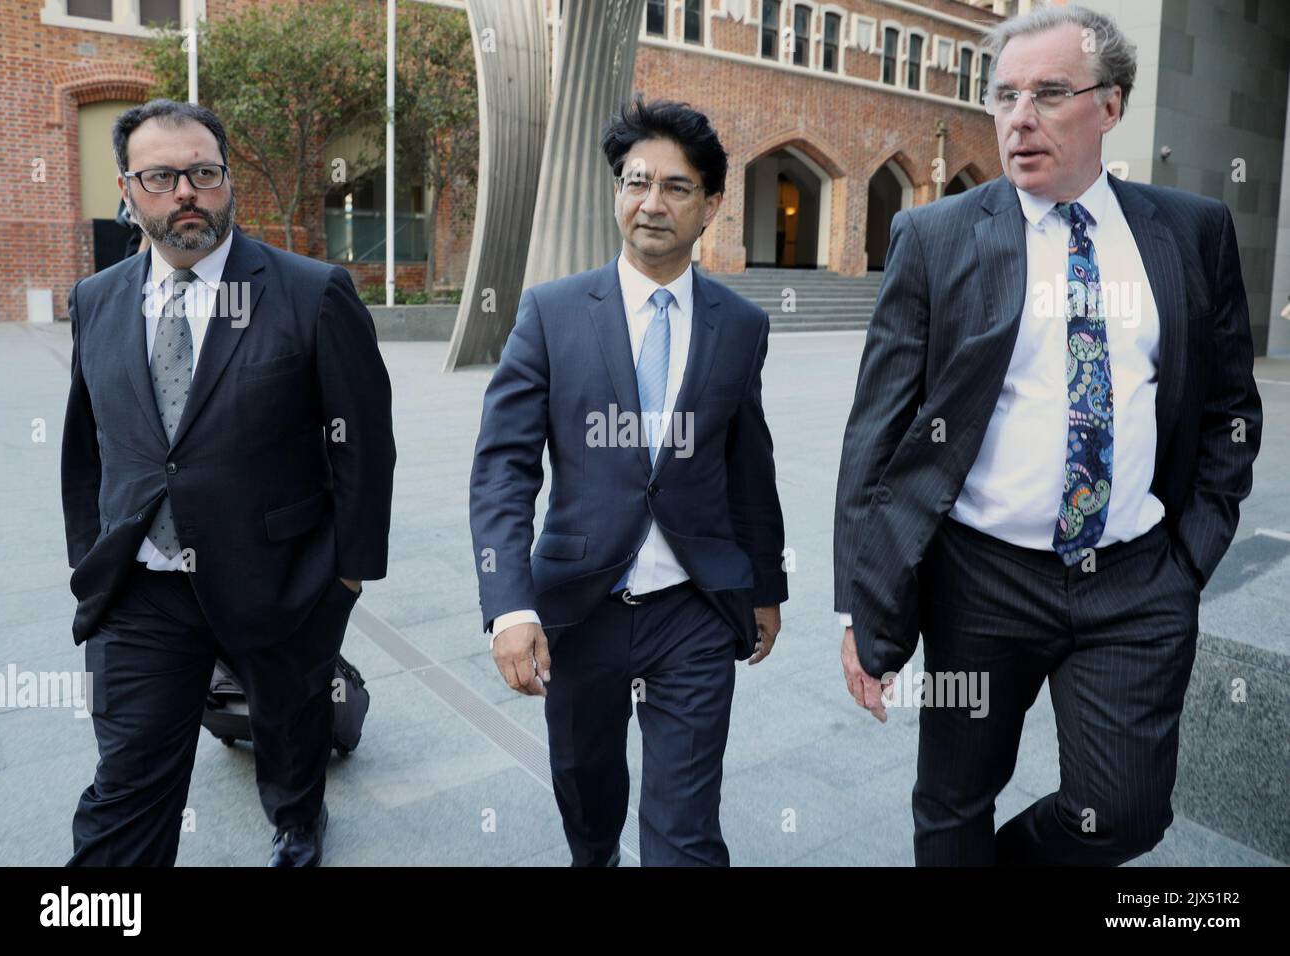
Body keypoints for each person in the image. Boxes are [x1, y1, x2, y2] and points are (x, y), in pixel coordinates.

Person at [832, 6, 1262, 866]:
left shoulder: (1191, 231)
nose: (1019, 117)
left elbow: (1228, 410)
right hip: (978, 581)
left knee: (1127, 813)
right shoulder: (936, 235)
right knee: (953, 805)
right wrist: (865, 608)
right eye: (1004, 96)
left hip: (1136, 581)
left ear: (1110, 105)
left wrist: (1190, 558)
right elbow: (877, 434)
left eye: (1050, 93)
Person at [61, 99, 397, 866]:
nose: (186, 191)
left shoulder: (311, 292)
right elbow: (87, 448)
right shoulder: (98, 300)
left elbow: (364, 448)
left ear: (227, 180)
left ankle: (297, 823)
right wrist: (91, 556)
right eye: (161, 176)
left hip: (280, 579)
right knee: (127, 780)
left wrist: (345, 578)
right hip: (141, 589)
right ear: (126, 188)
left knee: (290, 723)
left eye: (204, 173)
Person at [469, 96, 788, 866]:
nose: (652, 202)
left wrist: (765, 585)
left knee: (685, 831)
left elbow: (749, 463)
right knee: (588, 800)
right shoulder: (550, 313)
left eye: (676, 187)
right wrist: (508, 605)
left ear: (711, 205)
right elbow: (504, 467)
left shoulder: (739, 326)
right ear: (618, 192)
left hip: (695, 611)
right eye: (636, 181)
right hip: (580, 610)